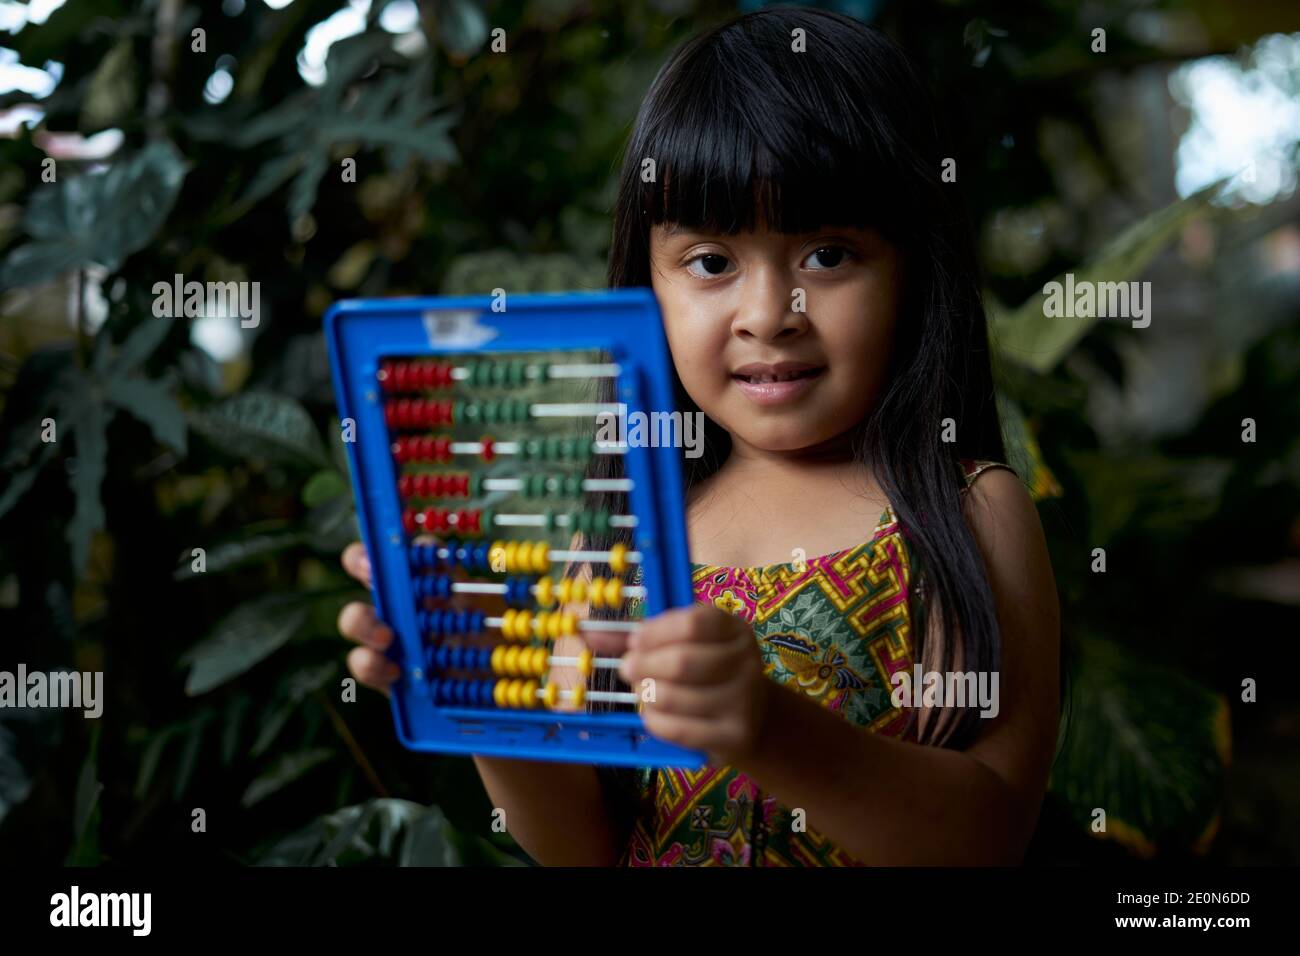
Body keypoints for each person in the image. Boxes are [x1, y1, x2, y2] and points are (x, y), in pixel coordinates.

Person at [337, 7, 1060, 866]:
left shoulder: (966, 513)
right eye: (711, 262)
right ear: (648, 279)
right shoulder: (611, 542)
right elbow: (583, 848)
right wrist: (482, 693)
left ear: (913, 267)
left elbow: (988, 836)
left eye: (827, 255)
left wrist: (767, 728)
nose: (767, 317)